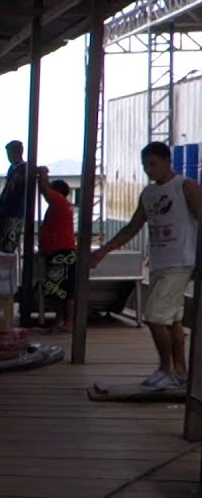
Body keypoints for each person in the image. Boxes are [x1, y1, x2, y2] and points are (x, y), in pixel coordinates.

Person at [93, 141, 202, 391]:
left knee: (153, 316)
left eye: (153, 164)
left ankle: (165, 369)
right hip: (159, 263)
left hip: (182, 262)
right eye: (145, 166)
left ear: (167, 162)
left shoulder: (185, 187)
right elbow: (133, 227)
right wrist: (104, 250)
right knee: (172, 320)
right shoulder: (149, 194)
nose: (149, 170)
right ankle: (181, 372)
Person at [37, 168, 77, 332]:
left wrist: (42, 174)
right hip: (56, 252)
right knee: (58, 289)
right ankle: (61, 320)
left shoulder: (59, 201)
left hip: (62, 253)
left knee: (66, 290)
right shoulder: (60, 206)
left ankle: (68, 322)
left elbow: (46, 191)